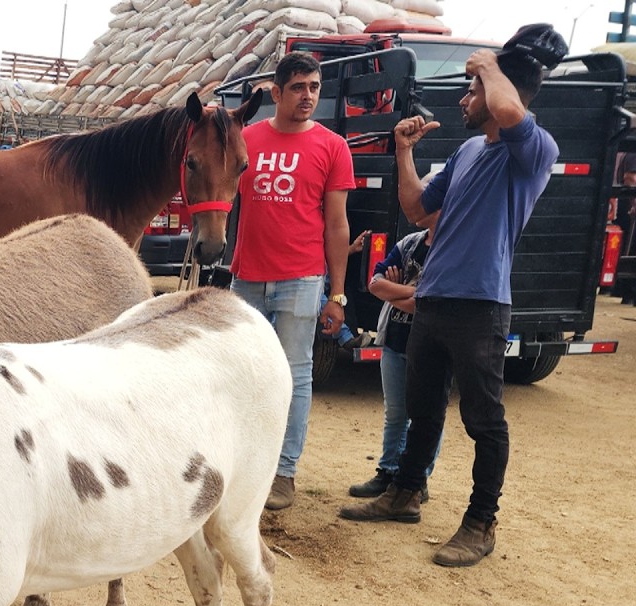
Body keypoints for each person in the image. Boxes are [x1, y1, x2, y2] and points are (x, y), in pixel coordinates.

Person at [338, 24, 566, 567]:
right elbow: (417, 209)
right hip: (433, 298)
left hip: (481, 304)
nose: (465, 99)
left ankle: (481, 524)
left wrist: (489, 65)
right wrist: (403, 152)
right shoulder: (466, 151)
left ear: (497, 89)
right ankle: (406, 493)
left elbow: (511, 113)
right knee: (423, 408)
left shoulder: (533, 148)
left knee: (484, 419)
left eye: (472, 90)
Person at [231, 51, 356, 511]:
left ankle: (283, 473)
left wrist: (337, 294)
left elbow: (337, 225)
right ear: (277, 93)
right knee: (242, 373)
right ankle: (242, 465)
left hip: (302, 279)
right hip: (246, 278)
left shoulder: (332, 146)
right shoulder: (246, 139)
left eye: (315, 88)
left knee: (295, 374)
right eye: (299, 87)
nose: (308, 96)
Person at [348, 194, 442, 500]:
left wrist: (395, 293)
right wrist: (409, 293)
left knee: (426, 415)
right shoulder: (410, 243)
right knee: (396, 413)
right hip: (395, 341)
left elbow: (431, 303)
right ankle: (388, 472)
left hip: (430, 345)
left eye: (425, 199)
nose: (416, 203)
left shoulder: (450, 248)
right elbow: (375, 283)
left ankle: (417, 479)